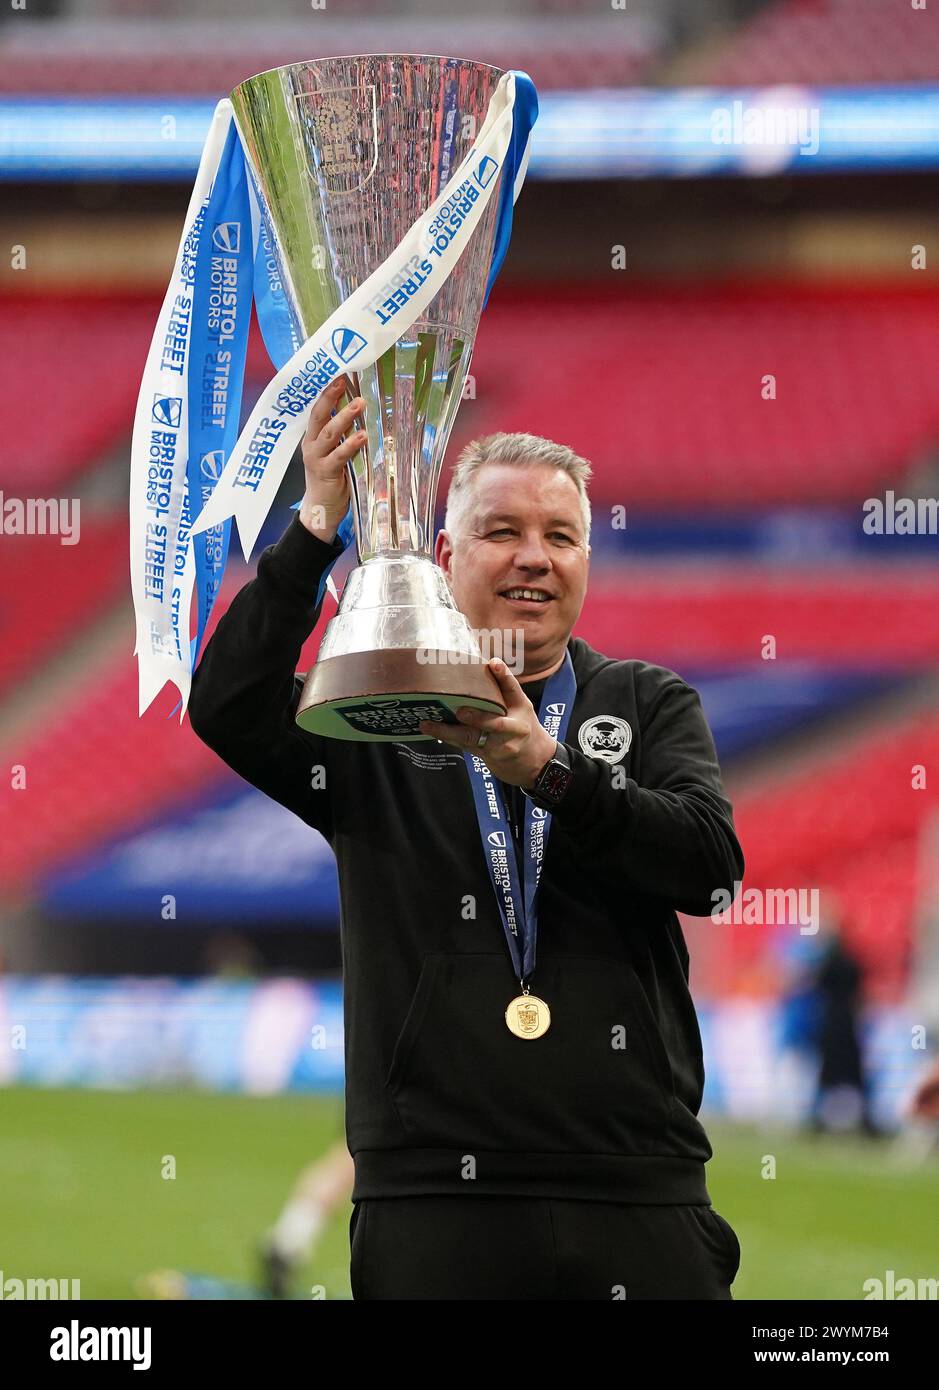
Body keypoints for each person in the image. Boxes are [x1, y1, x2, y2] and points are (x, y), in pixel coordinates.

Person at [188, 380, 746, 1300]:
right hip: (431, 1197)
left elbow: (709, 870)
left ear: (585, 562)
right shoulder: (377, 711)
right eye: (502, 532)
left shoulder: (646, 703)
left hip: (636, 1187)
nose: (534, 558)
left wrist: (551, 771)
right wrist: (318, 524)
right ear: (443, 554)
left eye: (560, 537)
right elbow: (230, 705)